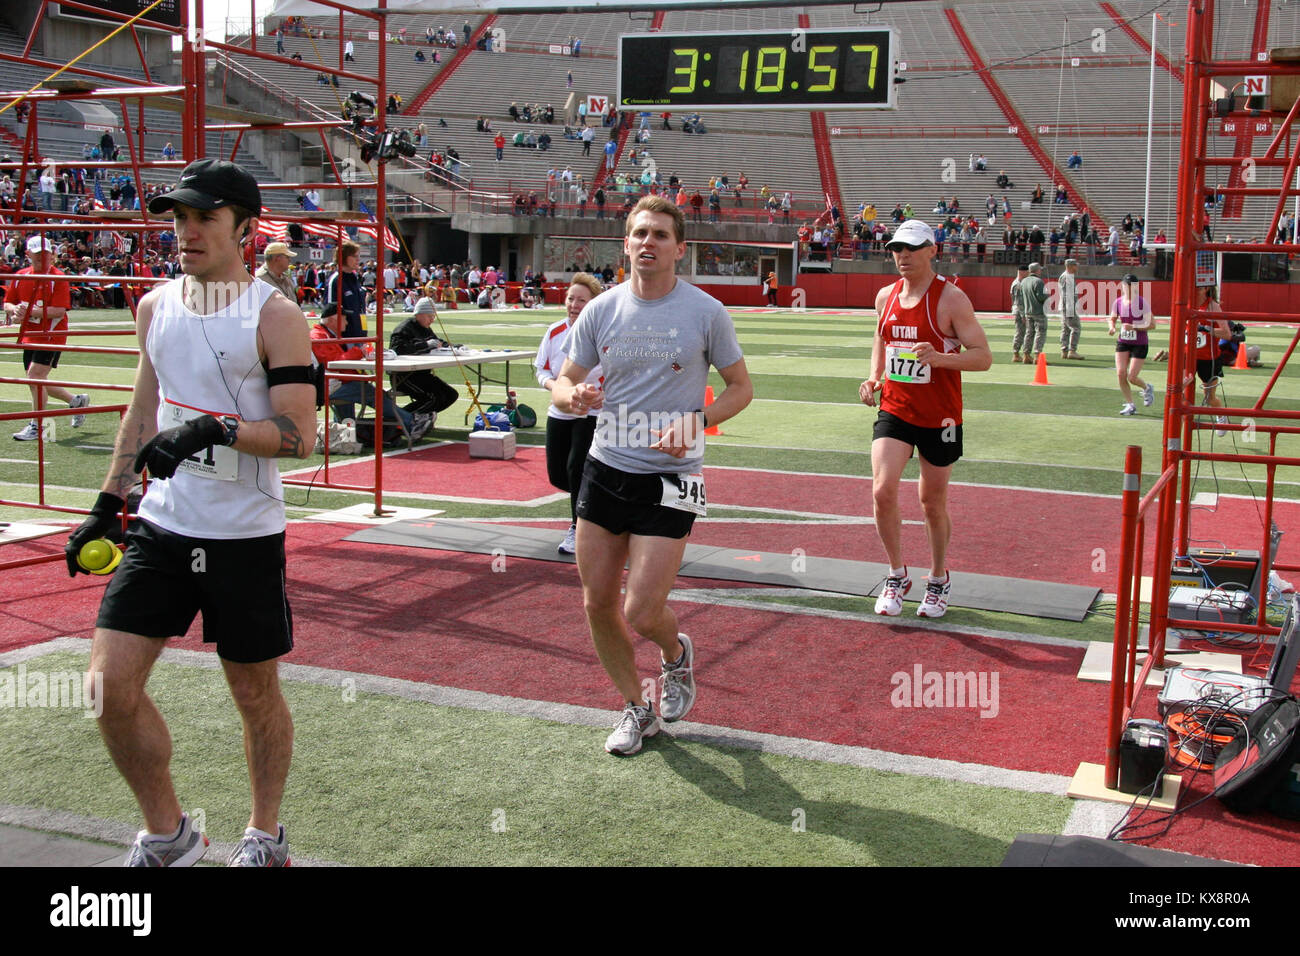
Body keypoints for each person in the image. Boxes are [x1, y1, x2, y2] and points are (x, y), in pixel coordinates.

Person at [62, 158, 317, 866]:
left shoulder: (275, 315)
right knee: (106, 688)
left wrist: (215, 429)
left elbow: (299, 435)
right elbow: (144, 410)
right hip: (163, 526)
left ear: (245, 227)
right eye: (179, 217)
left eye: (205, 216)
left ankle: (265, 835)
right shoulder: (155, 307)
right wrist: (106, 504)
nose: (187, 230)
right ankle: (169, 833)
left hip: (244, 534)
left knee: (253, 693)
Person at [551, 196, 753, 756]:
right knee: (597, 603)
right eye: (640, 233)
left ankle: (675, 653)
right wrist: (573, 396)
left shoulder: (706, 312)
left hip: (672, 479)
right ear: (626, 244)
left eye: (661, 235)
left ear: (679, 248)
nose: (649, 242)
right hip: (604, 469)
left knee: (640, 610)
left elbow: (741, 388)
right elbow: (562, 382)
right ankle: (636, 709)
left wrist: (698, 421)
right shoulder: (601, 310)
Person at [858, 219, 992, 619]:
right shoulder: (885, 296)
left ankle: (938, 578)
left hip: (940, 417)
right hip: (896, 409)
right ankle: (896, 575)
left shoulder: (951, 299)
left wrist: (940, 359)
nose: (903, 256)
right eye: (897, 249)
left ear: (933, 250)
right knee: (882, 490)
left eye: (912, 248)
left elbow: (983, 357)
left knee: (931, 502)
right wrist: (874, 376)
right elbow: (881, 337)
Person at [536, 273, 605, 555]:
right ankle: (595, 500)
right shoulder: (555, 332)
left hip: (592, 412)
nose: (574, 305)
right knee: (558, 474)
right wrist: (557, 388)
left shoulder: (602, 333)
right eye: (571, 299)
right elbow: (542, 370)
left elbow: (618, 373)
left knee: (577, 467)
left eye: (581, 300)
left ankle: (579, 528)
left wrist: (599, 395)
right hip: (561, 409)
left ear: (593, 304)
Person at [6, 234, 89, 439]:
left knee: (35, 376)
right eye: (38, 254)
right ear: (28, 254)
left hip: (51, 334)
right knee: (35, 379)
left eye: (46, 254)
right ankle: (76, 401)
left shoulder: (57, 278)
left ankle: (37, 424)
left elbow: (59, 310)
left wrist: (27, 312)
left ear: (52, 255)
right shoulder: (21, 275)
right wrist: (15, 310)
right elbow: (8, 302)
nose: (42, 258)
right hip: (30, 334)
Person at [312, 302, 429, 438]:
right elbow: (334, 362)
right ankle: (411, 423)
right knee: (371, 392)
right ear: (333, 319)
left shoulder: (325, 334)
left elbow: (336, 362)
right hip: (331, 385)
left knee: (363, 391)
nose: (347, 322)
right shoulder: (319, 336)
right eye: (344, 318)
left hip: (335, 382)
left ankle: (346, 436)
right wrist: (359, 352)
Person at [388, 296, 458, 422]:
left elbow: (437, 342)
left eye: (433, 316)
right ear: (419, 314)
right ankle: (400, 421)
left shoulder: (425, 328)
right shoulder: (404, 329)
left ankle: (413, 419)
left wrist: (454, 347)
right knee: (434, 398)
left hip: (422, 374)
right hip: (404, 376)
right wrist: (425, 345)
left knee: (450, 395)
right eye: (429, 316)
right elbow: (397, 350)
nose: (432, 320)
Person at [1108, 274, 1156, 416]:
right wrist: (1112, 327)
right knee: (1120, 373)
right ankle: (1130, 404)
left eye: (1131, 285)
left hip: (1139, 343)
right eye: (1125, 285)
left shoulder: (1142, 303)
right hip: (1123, 341)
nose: (1128, 288)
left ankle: (1147, 388)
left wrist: (1134, 326)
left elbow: (1152, 324)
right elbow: (1112, 318)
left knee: (1132, 377)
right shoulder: (1118, 302)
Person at [1193, 285, 1233, 436]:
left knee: (1209, 397)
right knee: (1179, 389)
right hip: (1188, 355)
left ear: (1206, 288)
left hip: (1208, 358)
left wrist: (1205, 328)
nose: (1194, 289)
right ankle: (1182, 420)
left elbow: (1227, 334)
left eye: (1199, 287)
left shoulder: (1212, 306)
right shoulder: (1185, 303)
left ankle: (1221, 416)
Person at [325, 240, 365, 340]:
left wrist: (364, 332)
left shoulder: (355, 278)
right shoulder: (335, 280)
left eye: (358, 256)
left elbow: (361, 310)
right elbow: (330, 312)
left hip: (360, 335)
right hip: (344, 337)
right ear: (343, 257)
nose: (358, 259)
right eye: (354, 256)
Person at [1017, 261, 1048, 365]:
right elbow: (1041, 297)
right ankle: (1037, 356)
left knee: (1029, 333)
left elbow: (1021, 298)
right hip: (1038, 311)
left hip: (1028, 312)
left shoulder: (1023, 281)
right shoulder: (1039, 281)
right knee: (1040, 333)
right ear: (1037, 270)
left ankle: (1026, 355)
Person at [1058, 258, 1083, 360]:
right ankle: (1072, 351)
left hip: (1065, 306)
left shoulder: (1066, 276)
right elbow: (1067, 295)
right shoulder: (1067, 277)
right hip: (1068, 307)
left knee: (1066, 329)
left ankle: (1064, 350)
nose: (1077, 267)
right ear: (1070, 266)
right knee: (1076, 328)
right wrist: (1070, 309)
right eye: (1075, 265)